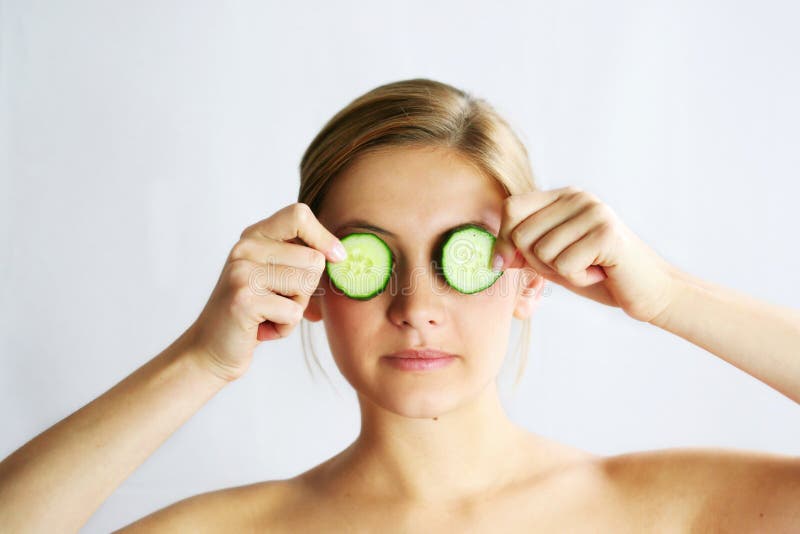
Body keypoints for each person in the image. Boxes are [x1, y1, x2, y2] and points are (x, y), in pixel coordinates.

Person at [1, 78, 798, 532]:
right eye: (369, 259)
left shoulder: (667, 514)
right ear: (311, 285)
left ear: (530, 280)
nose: (416, 306)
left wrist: (666, 296)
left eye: (464, 258)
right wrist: (199, 360)